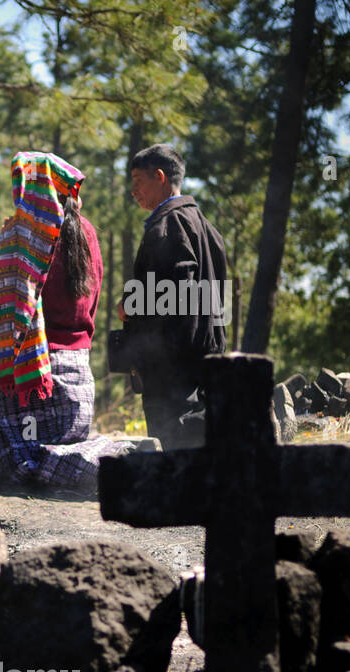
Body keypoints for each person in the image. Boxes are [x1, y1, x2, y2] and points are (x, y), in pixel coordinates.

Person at [0, 152, 135, 491]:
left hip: (29, 380)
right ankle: (103, 457)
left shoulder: (22, 235)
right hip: (78, 385)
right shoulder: (88, 234)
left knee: (6, 462)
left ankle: (111, 464)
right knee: (49, 448)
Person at [120, 143, 228, 449]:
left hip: (172, 365)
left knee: (177, 447)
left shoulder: (168, 223)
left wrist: (130, 304)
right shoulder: (207, 228)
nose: (133, 191)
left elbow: (178, 287)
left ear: (160, 176)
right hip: (205, 356)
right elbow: (220, 294)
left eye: (138, 181)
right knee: (198, 443)